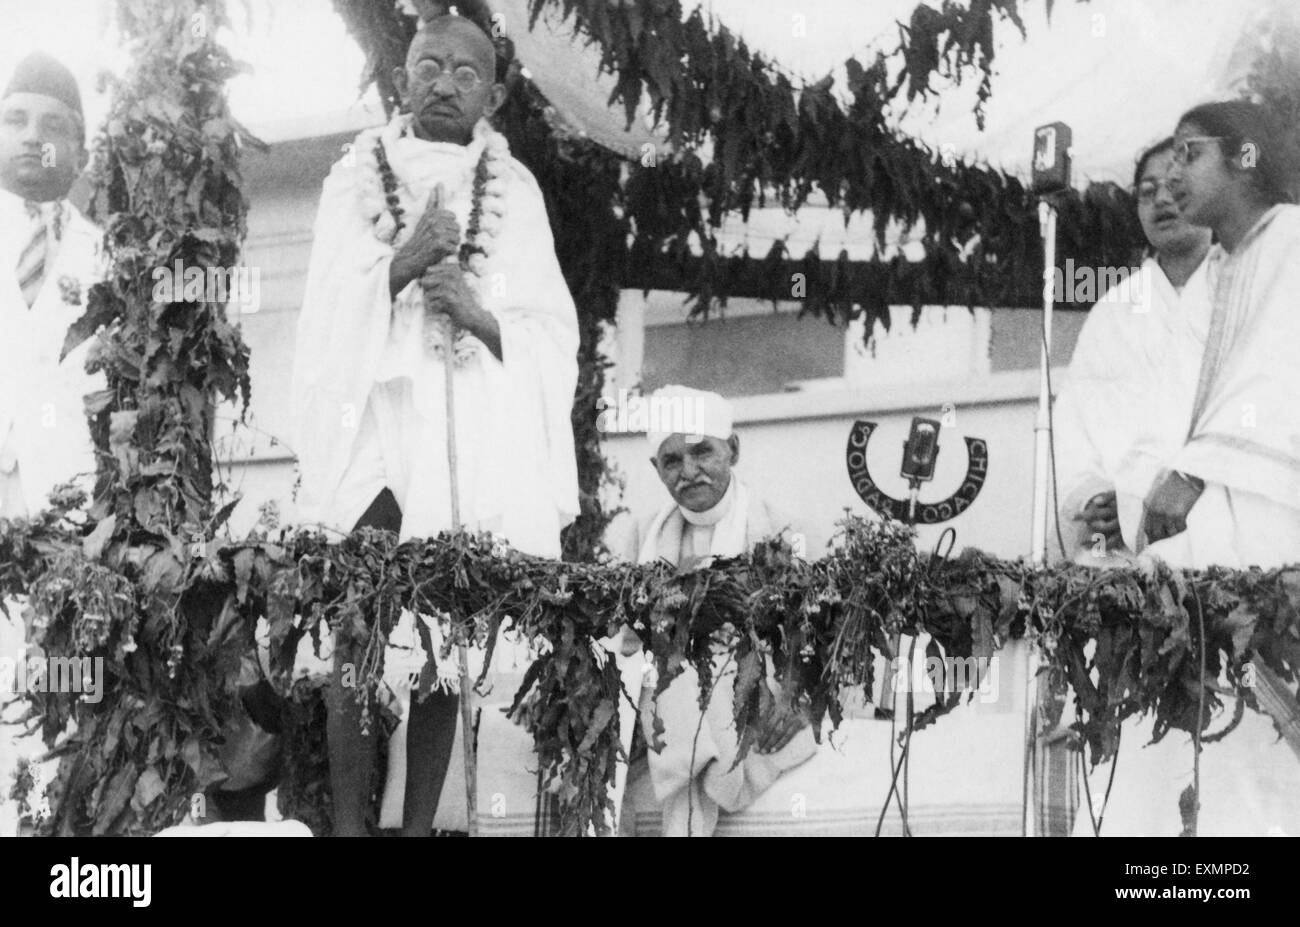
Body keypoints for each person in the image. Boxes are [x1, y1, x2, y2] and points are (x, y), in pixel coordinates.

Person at [290, 11, 579, 836]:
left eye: (464, 72)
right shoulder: (354, 174)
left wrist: (480, 315)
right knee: (360, 632)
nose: (444, 84)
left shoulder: (514, 191)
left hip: (467, 431)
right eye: (428, 65)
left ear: (495, 90)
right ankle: (349, 827)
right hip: (375, 425)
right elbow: (322, 315)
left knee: (444, 638)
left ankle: (414, 829)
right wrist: (403, 264)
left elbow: (552, 332)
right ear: (403, 75)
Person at [1075, 101, 1300, 836]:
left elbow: (1281, 378)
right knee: (1190, 721)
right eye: (1164, 160)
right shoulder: (1239, 261)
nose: (1170, 176)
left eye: (1188, 154)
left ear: (1243, 159)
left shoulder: (1293, 240)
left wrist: (1194, 470)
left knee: (1260, 740)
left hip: (1268, 514)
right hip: (1204, 524)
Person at [605, 386, 816, 836]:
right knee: (674, 684)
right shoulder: (640, 535)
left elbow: (812, 635)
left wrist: (792, 698)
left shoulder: (779, 530)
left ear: (732, 450)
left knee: (688, 687)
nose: (690, 471)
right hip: (660, 695)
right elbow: (619, 639)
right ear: (656, 469)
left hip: (752, 693)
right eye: (673, 460)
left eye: (703, 452)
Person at [1053, 138, 1212, 561]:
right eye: (1147, 190)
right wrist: (1090, 493)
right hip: (1119, 543)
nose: (1162, 198)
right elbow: (1073, 418)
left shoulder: (1244, 290)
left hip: (1221, 529)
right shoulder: (1113, 311)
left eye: (1176, 185)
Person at [0, 53, 103, 521]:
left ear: (81, 154)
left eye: (53, 125)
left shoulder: (112, 259)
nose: (31, 136)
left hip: (67, 508)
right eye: (15, 120)